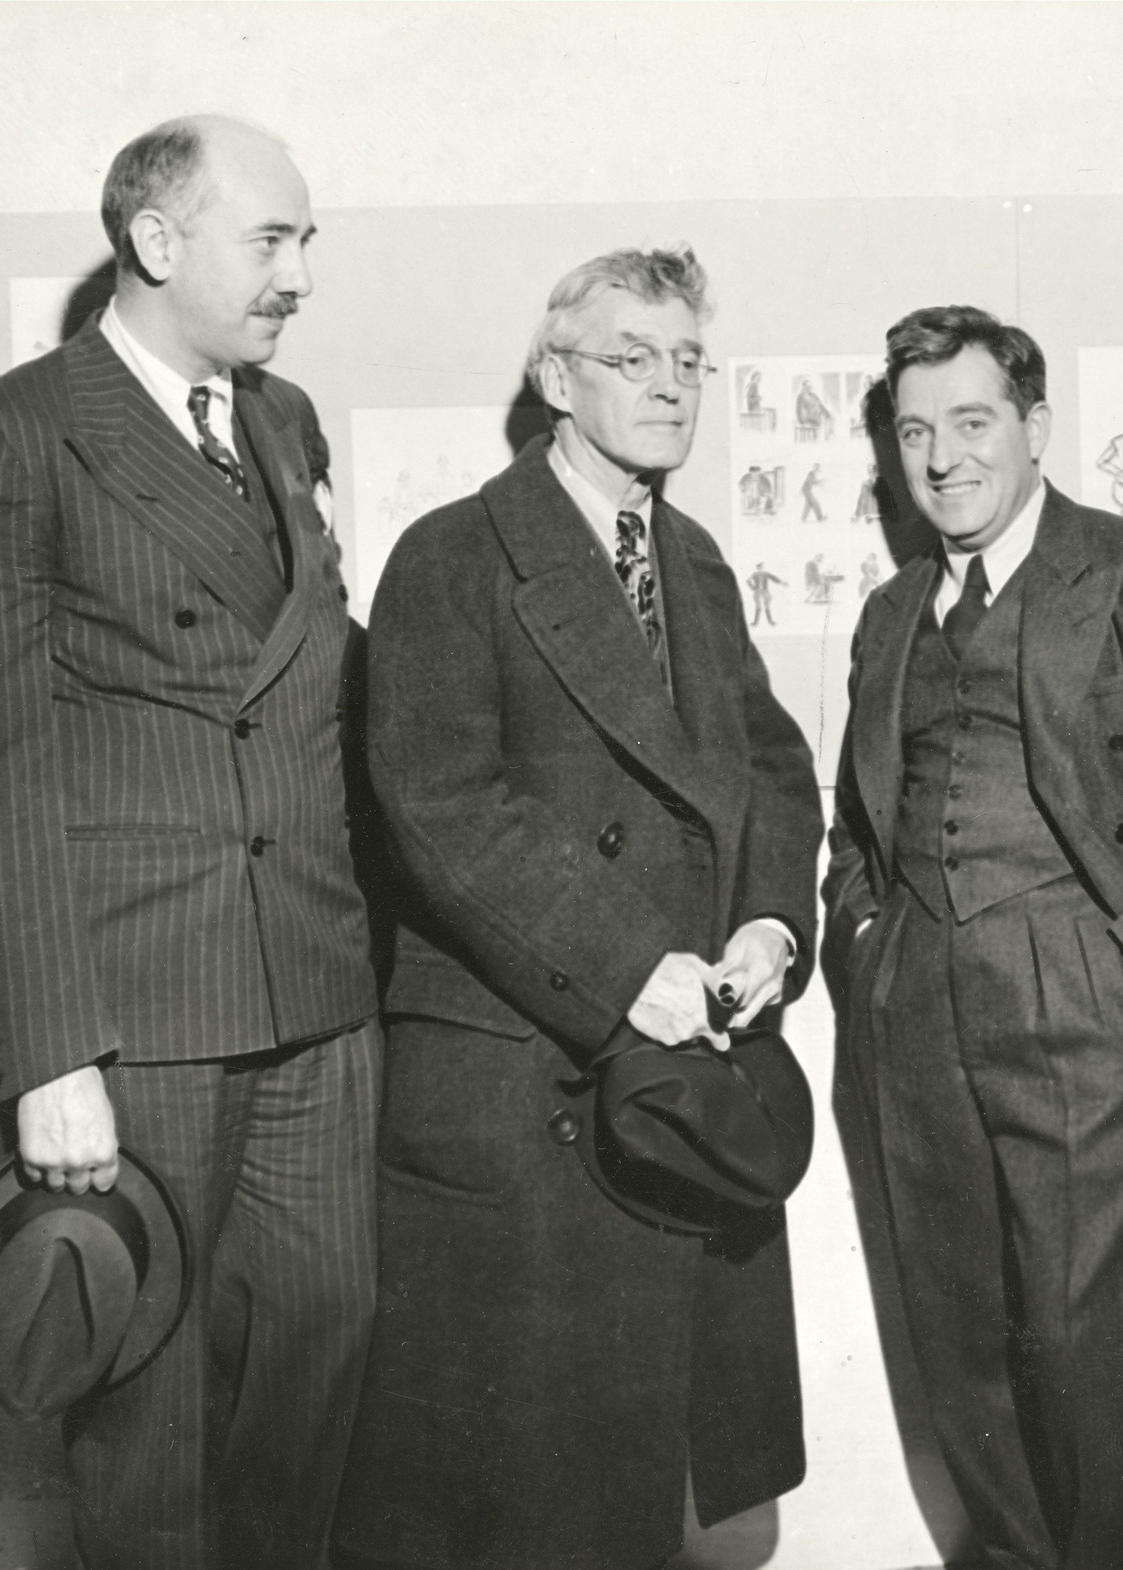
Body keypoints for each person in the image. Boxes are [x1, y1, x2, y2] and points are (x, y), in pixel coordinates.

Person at [0, 115, 379, 1570]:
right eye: (273, 239)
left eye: (306, 242)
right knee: (149, 1412)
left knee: (320, 1365)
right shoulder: (12, 434)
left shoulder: (281, 423)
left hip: (313, 991)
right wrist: (47, 1053)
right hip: (134, 1015)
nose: (301, 275)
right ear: (157, 242)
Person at [332, 247, 823, 1570]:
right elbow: (440, 807)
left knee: (639, 1483)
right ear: (557, 376)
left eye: (688, 362)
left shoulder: (699, 563)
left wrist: (775, 923)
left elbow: (772, 764)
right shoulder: (451, 557)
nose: (670, 388)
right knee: (525, 1493)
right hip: (526, 1075)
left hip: (675, 1073)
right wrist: (627, 965)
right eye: (632, 357)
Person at [823, 306, 1123, 1569]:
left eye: (970, 423)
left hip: (1082, 992)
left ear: (1032, 427)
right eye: (913, 433)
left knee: (1095, 1344)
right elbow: (859, 810)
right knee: (956, 1336)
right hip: (911, 1000)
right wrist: (859, 938)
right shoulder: (886, 612)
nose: (940, 458)